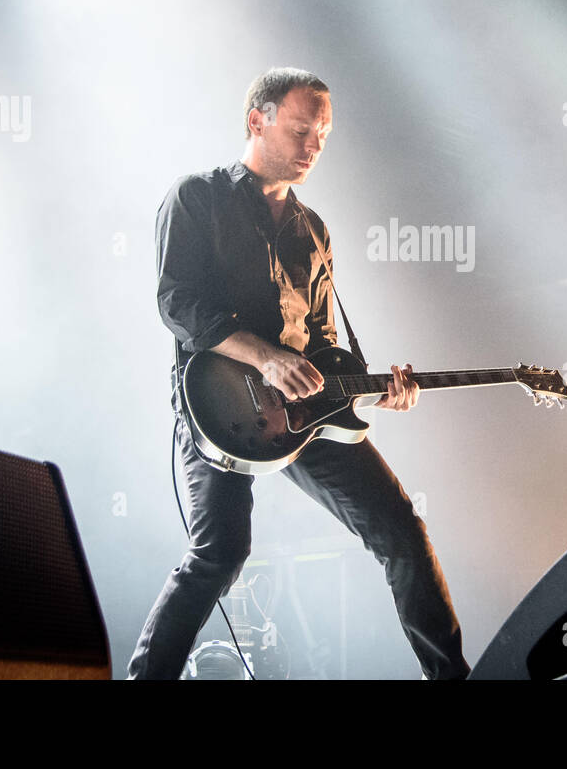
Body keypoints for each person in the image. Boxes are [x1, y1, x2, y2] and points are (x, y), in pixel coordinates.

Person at [127, 67, 470, 680]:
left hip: (305, 415)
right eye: (301, 128)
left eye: (324, 134)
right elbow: (177, 302)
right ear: (256, 120)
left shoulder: (314, 230)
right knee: (220, 554)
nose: (314, 145)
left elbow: (325, 346)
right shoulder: (196, 197)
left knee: (404, 532)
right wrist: (264, 357)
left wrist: (373, 393)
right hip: (220, 406)